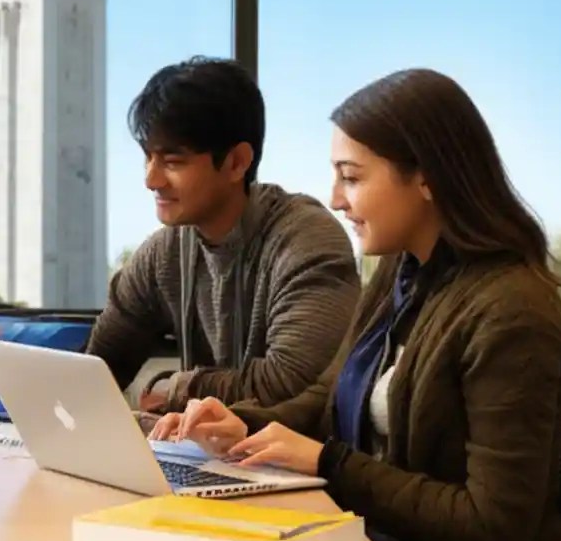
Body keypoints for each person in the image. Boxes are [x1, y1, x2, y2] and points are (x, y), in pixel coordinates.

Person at [150, 68, 561, 541]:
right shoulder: (404, 272)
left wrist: (327, 463)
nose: (335, 198)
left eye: (351, 177)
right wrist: (244, 424)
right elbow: (325, 400)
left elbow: (494, 524)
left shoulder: (512, 309)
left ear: (426, 177)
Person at [86, 57, 360, 419]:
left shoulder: (307, 241)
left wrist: (181, 387)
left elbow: (291, 383)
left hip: (294, 465)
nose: (151, 180)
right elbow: (96, 370)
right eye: (148, 158)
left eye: (172, 161)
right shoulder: (162, 253)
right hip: (213, 458)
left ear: (236, 162)